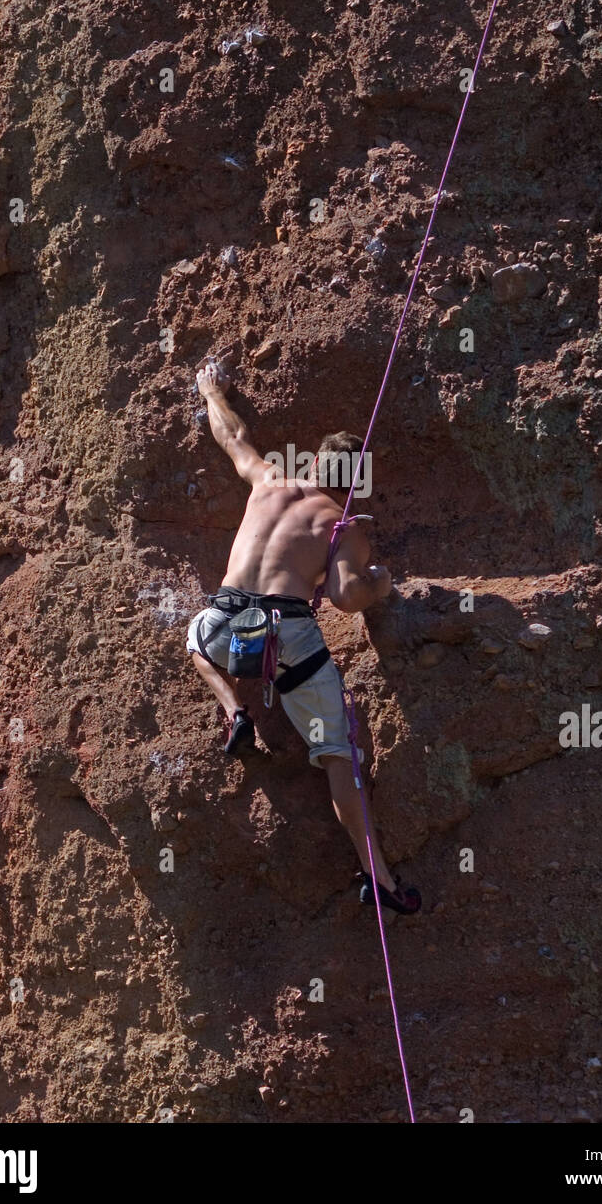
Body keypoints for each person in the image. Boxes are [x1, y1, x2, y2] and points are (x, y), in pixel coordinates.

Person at [185, 358, 421, 915]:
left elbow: (233, 435)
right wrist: (380, 583)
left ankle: (235, 712)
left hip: (225, 619)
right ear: (353, 484)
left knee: (194, 639)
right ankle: (379, 879)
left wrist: (211, 391)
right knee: (338, 754)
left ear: (313, 462)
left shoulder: (269, 480)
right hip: (287, 635)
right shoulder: (343, 525)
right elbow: (345, 597)